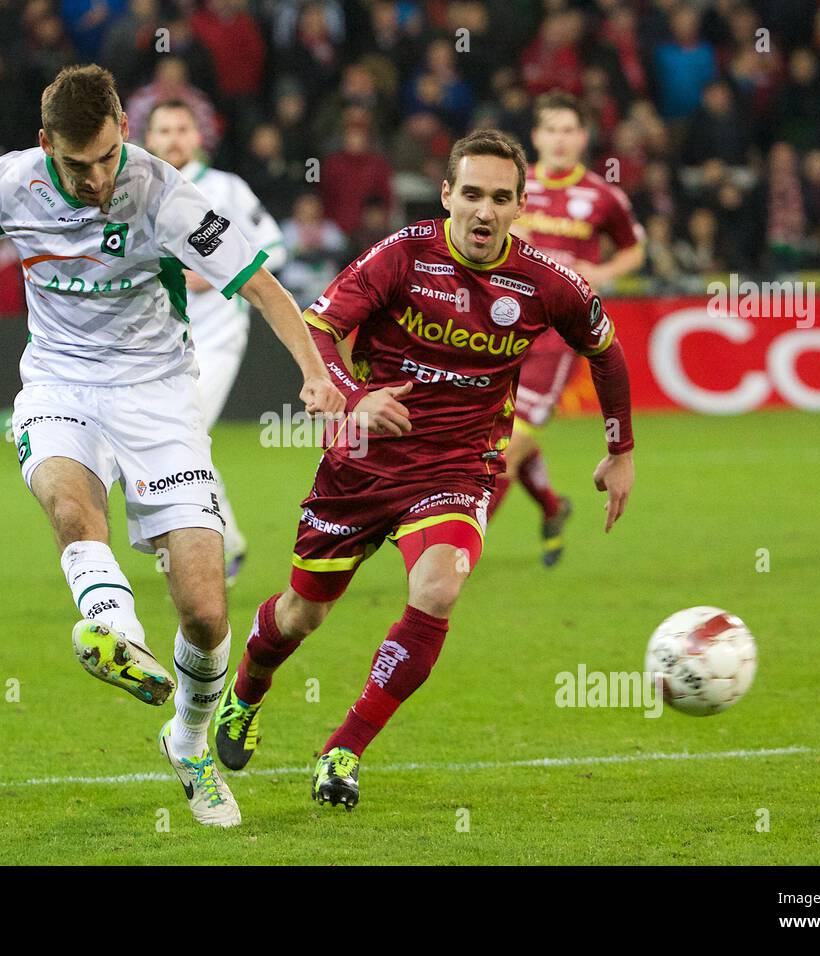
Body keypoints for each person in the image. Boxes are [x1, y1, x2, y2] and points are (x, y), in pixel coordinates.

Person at [0, 65, 342, 828]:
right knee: (73, 509)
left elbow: (262, 285)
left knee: (204, 611)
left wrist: (315, 374)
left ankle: (188, 739)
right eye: (78, 164)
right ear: (46, 148)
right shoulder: (9, 184)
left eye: (108, 157)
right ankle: (114, 633)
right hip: (59, 386)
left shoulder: (169, 196)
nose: (98, 177)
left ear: (124, 134)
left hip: (159, 397)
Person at [211, 129, 636, 810]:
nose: (484, 211)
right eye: (471, 194)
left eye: (500, 198)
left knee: (438, 589)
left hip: (458, 467)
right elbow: (319, 328)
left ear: (520, 205)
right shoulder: (402, 256)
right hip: (362, 465)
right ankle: (245, 693)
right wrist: (355, 396)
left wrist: (620, 451)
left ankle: (343, 751)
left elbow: (605, 351)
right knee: (301, 615)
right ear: (447, 195)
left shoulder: (545, 281)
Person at [143, 99, 287, 585]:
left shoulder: (226, 187)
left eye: (182, 128)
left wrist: (222, 272)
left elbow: (276, 246)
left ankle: (212, 546)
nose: (174, 138)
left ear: (198, 135)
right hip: (160, 341)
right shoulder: (141, 189)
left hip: (219, 335)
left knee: (181, 435)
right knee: (177, 440)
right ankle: (227, 540)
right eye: (163, 130)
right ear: (148, 137)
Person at [501, 91, 645, 566]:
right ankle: (552, 505)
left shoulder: (603, 196)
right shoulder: (512, 189)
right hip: (501, 323)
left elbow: (633, 249)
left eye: (570, 131)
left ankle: (457, 545)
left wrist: (601, 275)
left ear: (582, 138)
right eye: (551, 130)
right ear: (536, 136)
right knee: (494, 428)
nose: (560, 140)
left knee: (508, 443)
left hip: (557, 333)